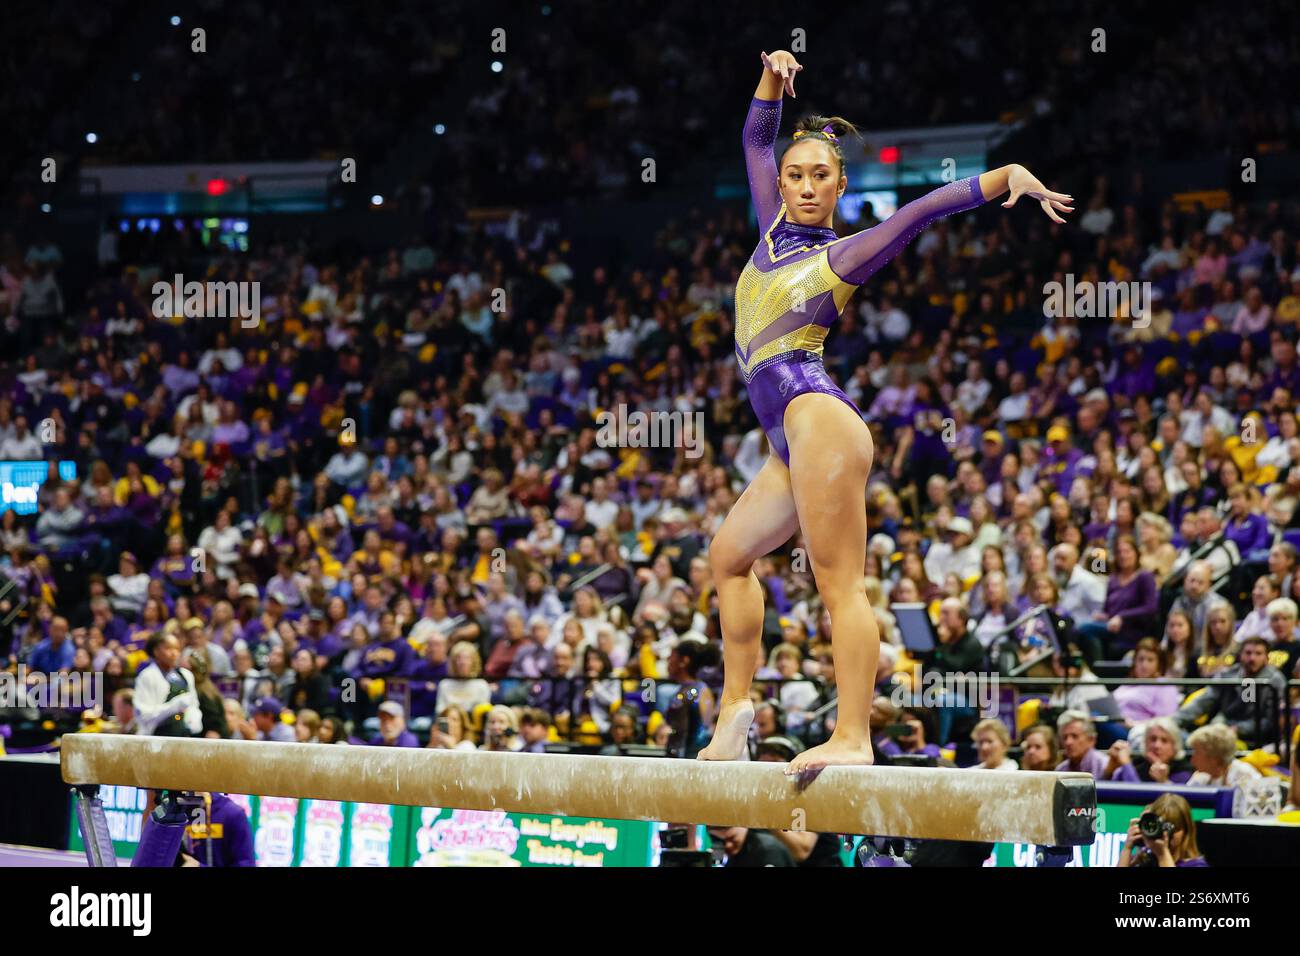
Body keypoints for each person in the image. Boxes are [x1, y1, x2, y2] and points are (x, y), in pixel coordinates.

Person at [700, 47, 1071, 773]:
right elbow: (753, 137)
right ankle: (735, 709)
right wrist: (774, 76)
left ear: (840, 186)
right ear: (783, 183)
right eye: (796, 175)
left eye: (821, 177)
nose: (807, 186)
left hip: (818, 420)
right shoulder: (770, 231)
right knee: (728, 557)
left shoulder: (843, 256)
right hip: (787, 439)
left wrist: (1006, 179)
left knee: (840, 585)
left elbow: (919, 213)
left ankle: (853, 736)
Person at [1174, 636, 1286, 747]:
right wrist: (1173, 721)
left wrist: (1239, 729)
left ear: (1266, 657)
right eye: (1248, 653)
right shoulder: (1227, 675)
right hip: (1223, 725)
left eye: (1258, 653)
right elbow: (1203, 702)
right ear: (1240, 655)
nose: (1252, 658)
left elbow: (1271, 720)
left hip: (1260, 738)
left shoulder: (1275, 680)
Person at [753, 735, 844, 865]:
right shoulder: (758, 795)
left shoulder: (810, 793)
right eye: (764, 765)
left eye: (775, 764)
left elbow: (801, 851)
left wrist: (764, 814)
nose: (770, 773)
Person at [133, 632, 201, 737]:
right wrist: (173, 706)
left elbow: (194, 705)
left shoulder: (186, 675)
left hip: (183, 734)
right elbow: (144, 715)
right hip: (156, 735)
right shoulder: (147, 676)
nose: (174, 653)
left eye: (177, 649)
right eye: (168, 648)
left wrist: (194, 719)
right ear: (156, 651)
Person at [1116, 793, 1208, 868]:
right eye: (1161, 826)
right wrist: (1127, 848)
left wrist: (1162, 854)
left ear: (1186, 831)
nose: (1166, 834)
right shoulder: (1144, 860)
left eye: (1171, 828)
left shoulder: (1197, 865)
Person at [1185, 723, 1262, 788]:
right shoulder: (1200, 776)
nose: (1192, 759)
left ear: (1214, 757)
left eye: (1197, 753)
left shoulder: (1244, 774)